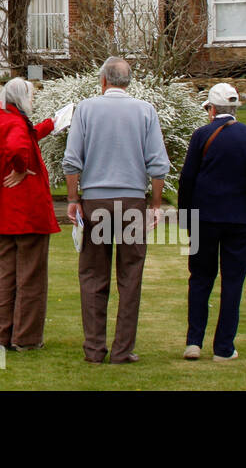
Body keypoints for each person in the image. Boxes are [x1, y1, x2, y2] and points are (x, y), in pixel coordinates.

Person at [61, 56, 169, 363]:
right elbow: (158, 166)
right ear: (128, 82)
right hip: (132, 201)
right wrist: (156, 205)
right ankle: (122, 350)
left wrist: (72, 199)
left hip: (95, 201)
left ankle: (94, 349)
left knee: (93, 276)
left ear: (103, 81)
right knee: (131, 275)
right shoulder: (145, 110)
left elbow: (72, 161)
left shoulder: (86, 109)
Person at [0, 78, 71, 351]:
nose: (33, 100)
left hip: (2, 214)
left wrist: (51, 124)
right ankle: (26, 338)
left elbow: (22, 138)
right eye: (31, 96)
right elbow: (18, 146)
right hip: (25, 213)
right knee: (31, 277)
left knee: (7, 275)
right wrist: (21, 168)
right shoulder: (15, 123)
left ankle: (3, 335)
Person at [177, 83, 246, 362]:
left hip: (204, 217)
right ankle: (223, 348)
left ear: (212, 109)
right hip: (239, 218)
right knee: (232, 281)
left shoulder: (201, 135)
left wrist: (185, 217)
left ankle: (194, 342)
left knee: (201, 278)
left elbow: (187, 179)